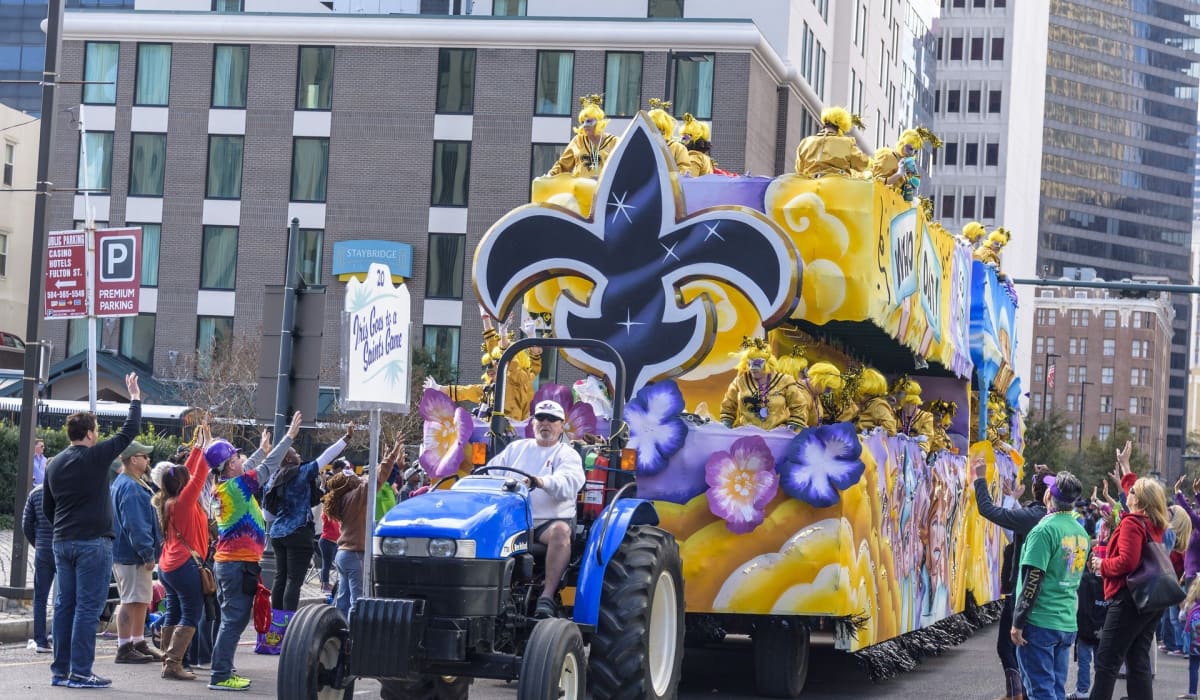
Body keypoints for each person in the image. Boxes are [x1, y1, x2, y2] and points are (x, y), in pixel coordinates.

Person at [42, 372, 142, 689]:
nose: (98, 436)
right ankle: (82, 671)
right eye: (96, 431)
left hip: (62, 541)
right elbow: (129, 433)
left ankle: (61, 670)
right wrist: (135, 398)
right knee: (87, 608)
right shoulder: (96, 457)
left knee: (63, 607)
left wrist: (62, 527)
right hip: (93, 543)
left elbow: (47, 506)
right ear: (88, 434)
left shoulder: (53, 463)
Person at [206, 410, 301, 691]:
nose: (240, 459)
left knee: (229, 619)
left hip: (230, 563)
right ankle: (221, 675)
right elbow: (267, 467)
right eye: (236, 458)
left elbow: (256, 465)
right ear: (229, 465)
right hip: (237, 565)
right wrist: (288, 438)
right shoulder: (237, 488)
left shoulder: (226, 486)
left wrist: (262, 448)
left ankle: (223, 669)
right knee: (234, 621)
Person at [485, 399, 585, 619]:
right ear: (532, 423)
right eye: (540, 418)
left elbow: (568, 484)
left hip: (546, 523)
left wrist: (541, 482)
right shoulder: (516, 449)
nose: (545, 423)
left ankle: (547, 597)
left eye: (552, 419)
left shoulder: (567, 455)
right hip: (513, 520)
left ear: (561, 425)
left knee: (561, 532)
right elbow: (491, 473)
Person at [1088, 442, 1169, 700]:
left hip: (1128, 599)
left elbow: (1127, 562)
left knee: (1107, 661)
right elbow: (1132, 487)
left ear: (1140, 502)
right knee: (1138, 660)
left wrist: (1102, 565)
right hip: (1150, 599)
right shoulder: (1152, 521)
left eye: (1131, 492)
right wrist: (1125, 466)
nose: (1127, 491)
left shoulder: (1133, 523)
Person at [263, 421, 350, 647]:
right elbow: (325, 456)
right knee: (294, 580)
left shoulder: (274, 478)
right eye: (295, 452)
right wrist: (345, 439)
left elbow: (267, 512)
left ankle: (277, 624)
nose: (299, 454)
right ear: (290, 459)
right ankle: (289, 626)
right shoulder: (301, 473)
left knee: (281, 577)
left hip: (278, 533)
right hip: (298, 533)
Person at [972, 455, 1049, 700]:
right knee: (1039, 655)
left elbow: (988, 510)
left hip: (1022, 592)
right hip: (1050, 598)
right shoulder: (1059, 519)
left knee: (1008, 645)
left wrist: (981, 478)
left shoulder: (1033, 517)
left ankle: (1018, 693)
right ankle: (1020, 692)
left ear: (1039, 493)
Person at [1010, 471, 1088, 700]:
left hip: (1040, 621)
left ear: (1048, 496)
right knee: (1055, 690)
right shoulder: (1080, 531)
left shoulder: (1044, 531)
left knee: (1040, 692)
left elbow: (1032, 580)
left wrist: (1018, 622)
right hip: (1065, 621)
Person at [153, 423, 212, 682]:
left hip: (168, 564)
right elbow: (198, 475)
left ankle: (168, 659)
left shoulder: (167, 500)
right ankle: (173, 664)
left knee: (175, 610)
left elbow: (188, 471)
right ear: (182, 485)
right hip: (183, 564)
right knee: (191, 612)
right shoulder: (185, 502)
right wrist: (206, 449)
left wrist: (198, 446)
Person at [324, 438, 403, 617]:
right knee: (357, 601)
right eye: (353, 476)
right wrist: (390, 458)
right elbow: (376, 479)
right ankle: (354, 636)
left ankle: (338, 633)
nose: (357, 476)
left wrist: (387, 458)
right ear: (349, 483)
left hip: (343, 554)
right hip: (355, 555)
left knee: (342, 600)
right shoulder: (356, 496)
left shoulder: (343, 498)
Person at [110, 440, 163, 664]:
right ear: (133, 459)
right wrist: (147, 553)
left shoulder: (128, 482)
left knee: (139, 598)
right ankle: (124, 647)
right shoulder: (131, 486)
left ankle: (137, 641)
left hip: (129, 553)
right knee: (131, 599)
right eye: (144, 456)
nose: (147, 460)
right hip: (131, 554)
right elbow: (136, 524)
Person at [719, 337, 808, 431]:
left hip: (776, 437)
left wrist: (791, 427)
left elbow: (799, 405)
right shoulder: (739, 382)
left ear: (767, 363)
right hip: (747, 435)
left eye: (757, 363)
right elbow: (727, 407)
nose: (752, 367)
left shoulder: (784, 381)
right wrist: (726, 424)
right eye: (749, 363)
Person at [1069, 540, 1109, 700]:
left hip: (1085, 632)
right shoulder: (1109, 581)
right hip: (1104, 630)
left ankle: (1082, 691)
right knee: (1101, 665)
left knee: (1084, 663)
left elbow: (1083, 609)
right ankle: (1099, 692)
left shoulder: (1085, 580)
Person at [546, 94, 619, 178]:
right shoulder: (578, 141)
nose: (585, 125)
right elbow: (563, 165)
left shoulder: (614, 142)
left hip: (604, 189)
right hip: (581, 188)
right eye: (583, 122)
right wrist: (550, 175)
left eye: (589, 121)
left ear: (598, 122)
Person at [21, 481, 54, 654]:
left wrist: (37, 543)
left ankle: (40, 640)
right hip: (63, 547)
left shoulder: (35, 493)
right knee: (65, 596)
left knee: (40, 597)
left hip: (43, 550)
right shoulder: (64, 490)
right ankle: (56, 635)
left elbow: (26, 524)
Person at [794, 106, 869, 178]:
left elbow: (799, 169)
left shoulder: (805, 142)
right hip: (837, 187)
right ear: (842, 127)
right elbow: (862, 163)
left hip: (809, 186)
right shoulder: (847, 143)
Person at [646, 98, 692, 173]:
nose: (654, 132)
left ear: (664, 130)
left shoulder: (677, 148)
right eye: (651, 129)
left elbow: (684, 172)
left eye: (659, 129)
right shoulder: (642, 146)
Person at [1179, 577, 1200, 700]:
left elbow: (1182, 618)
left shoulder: (1191, 604)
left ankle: (1192, 693)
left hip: (1194, 645)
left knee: (1193, 667)